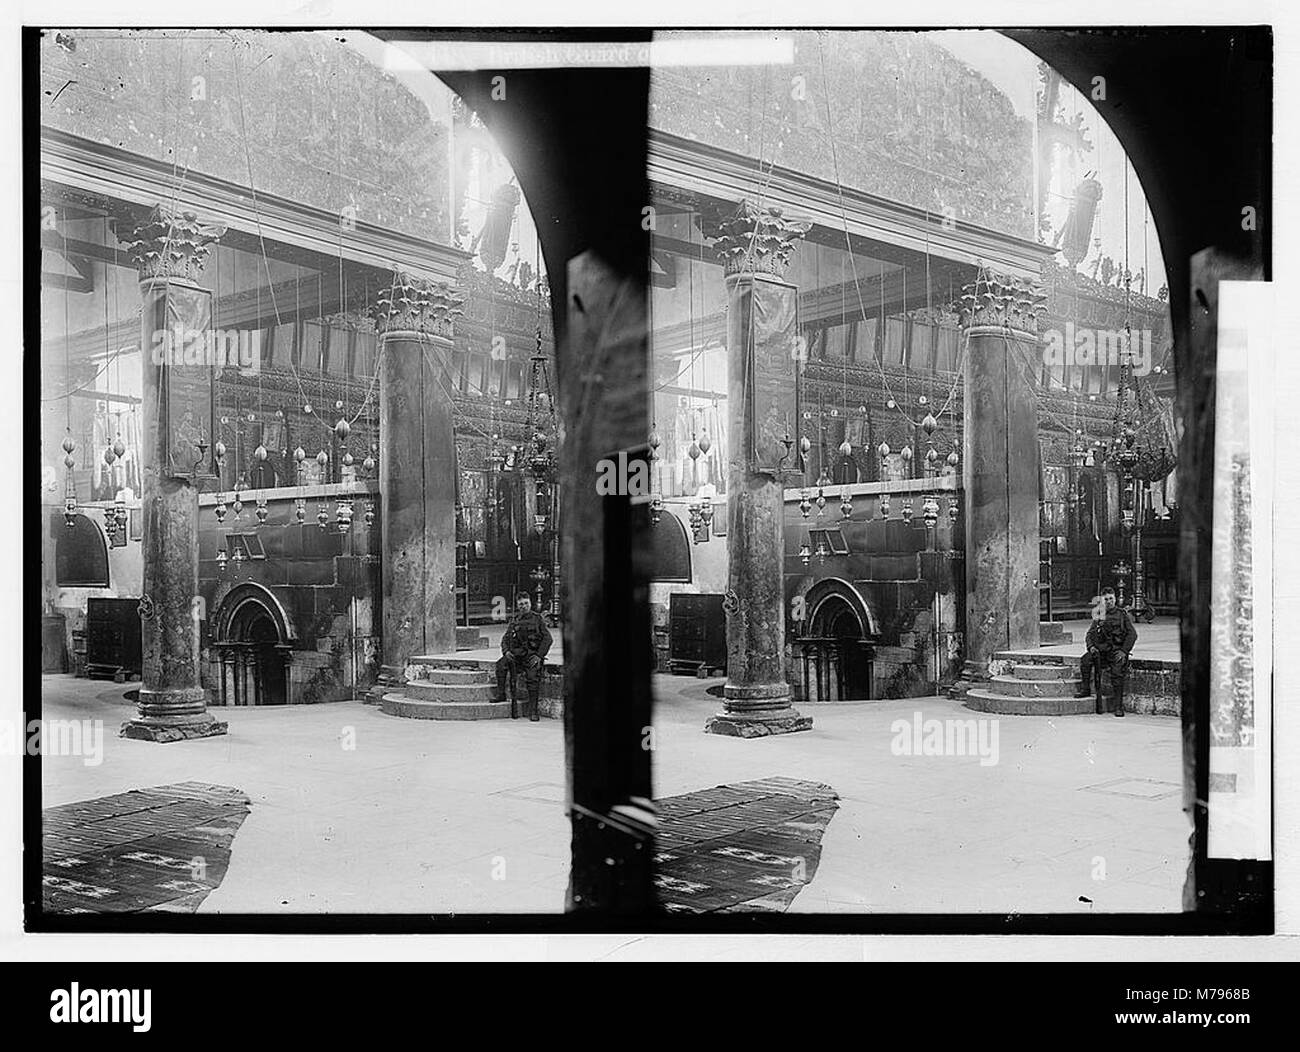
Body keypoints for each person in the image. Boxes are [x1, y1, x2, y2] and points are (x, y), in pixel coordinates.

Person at [1075, 587, 1138, 716]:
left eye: (1111, 599)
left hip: (1116, 651)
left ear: (1115, 599)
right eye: (1106, 599)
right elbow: (1090, 634)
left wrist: (1124, 651)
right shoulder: (1099, 615)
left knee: (1117, 672)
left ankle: (1118, 707)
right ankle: (1085, 689)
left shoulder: (1122, 615)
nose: (1109, 601)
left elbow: (1132, 634)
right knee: (1085, 660)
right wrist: (1091, 647)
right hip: (1101, 652)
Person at [496, 594, 552, 722]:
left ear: (530, 604)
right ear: (517, 605)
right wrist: (506, 652)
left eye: (526, 603)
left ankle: (533, 710)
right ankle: (501, 694)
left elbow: (548, 639)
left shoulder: (538, 619)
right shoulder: (514, 620)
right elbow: (505, 639)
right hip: (516, 656)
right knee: (500, 665)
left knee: (532, 678)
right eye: (521, 604)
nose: (524, 606)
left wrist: (539, 655)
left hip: (532, 656)